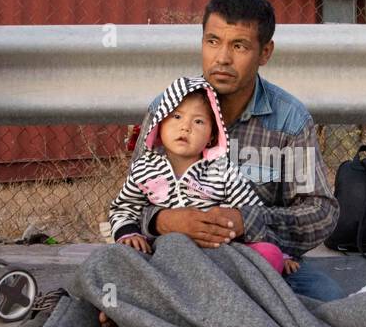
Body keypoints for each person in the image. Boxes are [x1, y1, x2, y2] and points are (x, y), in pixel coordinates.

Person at [13, 0, 341, 327]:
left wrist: (247, 221)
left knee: (327, 301)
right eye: (213, 41)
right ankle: (103, 308)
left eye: (240, 46)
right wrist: (164, 221)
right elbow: (134, 198)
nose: (223, 58)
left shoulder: (289, 120)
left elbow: (320, 212)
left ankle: (144, 316)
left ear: (265, 53)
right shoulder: (168, 108)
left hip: (247, 263)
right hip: (170, 260)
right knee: (113, 266)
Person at [107, 74, 296, 276]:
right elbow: (123, 208)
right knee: (117, 258)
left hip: (216, 255)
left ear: (211, 137)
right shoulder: (144, 168)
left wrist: (281, 253)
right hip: (163, 254)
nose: (185, 127)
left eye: (198, 121)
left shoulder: (222, 171)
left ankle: (227, 294)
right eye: (176, 116)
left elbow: (252, 212)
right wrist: (128, 233)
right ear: (159, 124)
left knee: (270, 254)